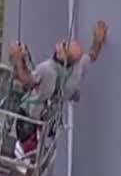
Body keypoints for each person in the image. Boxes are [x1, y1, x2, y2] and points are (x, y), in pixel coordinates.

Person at [9, 19, 109, 158]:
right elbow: (92, 55)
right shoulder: (78, 67)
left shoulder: (47, 69)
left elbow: (27, 82)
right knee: (36, 156)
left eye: (62, 46)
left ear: (62, 56)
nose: (58, 45)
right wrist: (98, 40)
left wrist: (18, 59)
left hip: (29, 119)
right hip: (49, 123)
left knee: (22, 150)